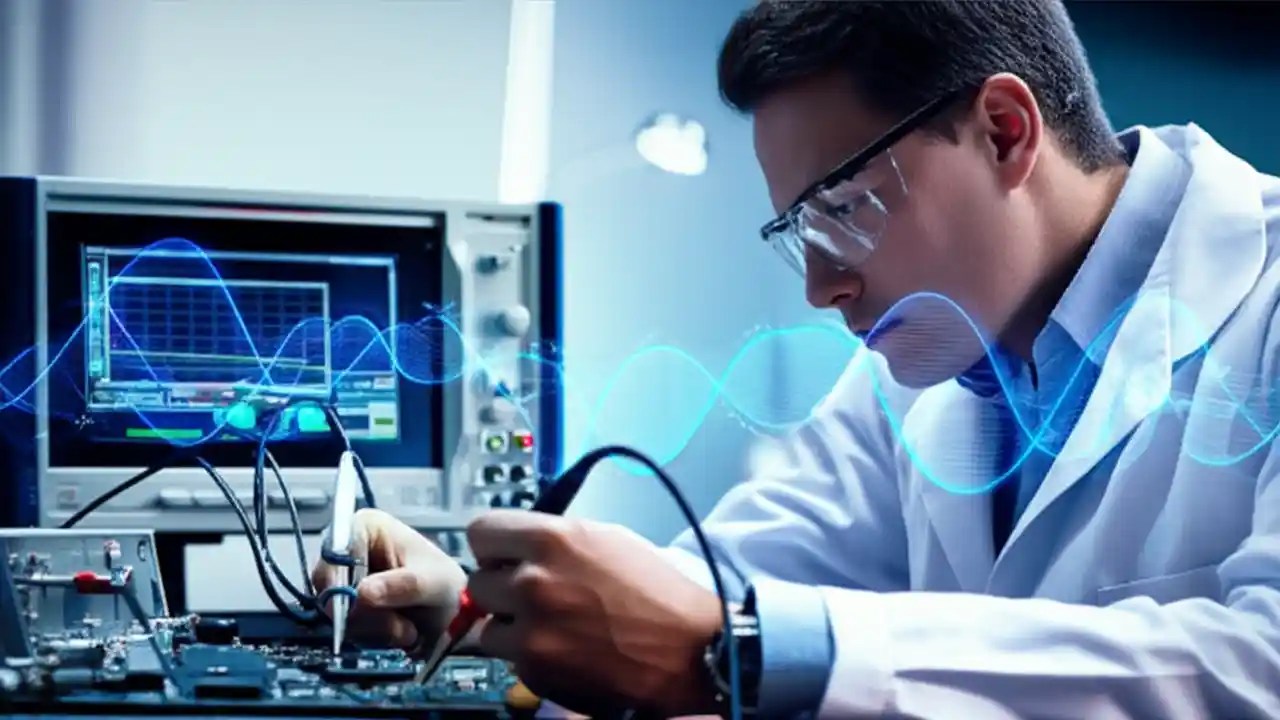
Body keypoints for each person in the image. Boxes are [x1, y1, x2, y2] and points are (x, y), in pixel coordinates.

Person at [314, 1, 1280, 717]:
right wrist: (483, 611)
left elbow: (1260, 668)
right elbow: (700, 594)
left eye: (844, 211)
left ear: (1005, 131)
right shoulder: (916, 374)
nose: (821, 289)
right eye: (797, 231)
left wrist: (740, 650)